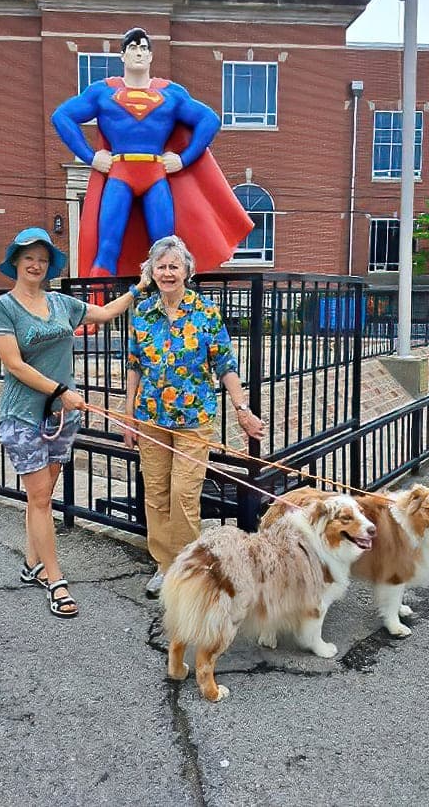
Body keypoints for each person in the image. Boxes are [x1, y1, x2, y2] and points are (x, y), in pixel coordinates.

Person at [0, 227, 147, 618]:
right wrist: (59, 390)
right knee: (41, 499)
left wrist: (140, 287)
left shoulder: (61, 304)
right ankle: (56, 581)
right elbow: (14, 365)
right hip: (23, 415)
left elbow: (106, 313)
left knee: (41, 497)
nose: (36, 264)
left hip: (62, 415)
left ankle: (31, 564)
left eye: (42, 258)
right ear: (16, 262)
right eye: (29, 257)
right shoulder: (2, 308)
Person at [123, 235, 266, 598]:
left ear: (187, 270)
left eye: (174, 266)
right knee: (155, 493)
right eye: (161, 266)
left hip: (194, 418)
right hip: (151, 416)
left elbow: (225, 364)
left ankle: (187, 568)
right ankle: (164, 566)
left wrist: (242, 410)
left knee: (184, 494)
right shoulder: (142, 314)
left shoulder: (205, 313)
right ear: (151, 272)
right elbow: (134, 366)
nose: (167, 272)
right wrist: (127, 415)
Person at [51, 26, 252, 278]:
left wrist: (183, 159)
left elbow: (209, 120)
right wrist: (91, 157)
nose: (139, 53)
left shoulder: (170, 93)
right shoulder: (103, 91)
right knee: (107, 248)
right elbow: (62, 116)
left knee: (165, 250)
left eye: (144, 48)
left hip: (155, 176)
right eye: (133, 48)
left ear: (151, 56)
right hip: (120, 174)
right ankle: (95, 316)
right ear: (122, 55)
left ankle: (167, 315)